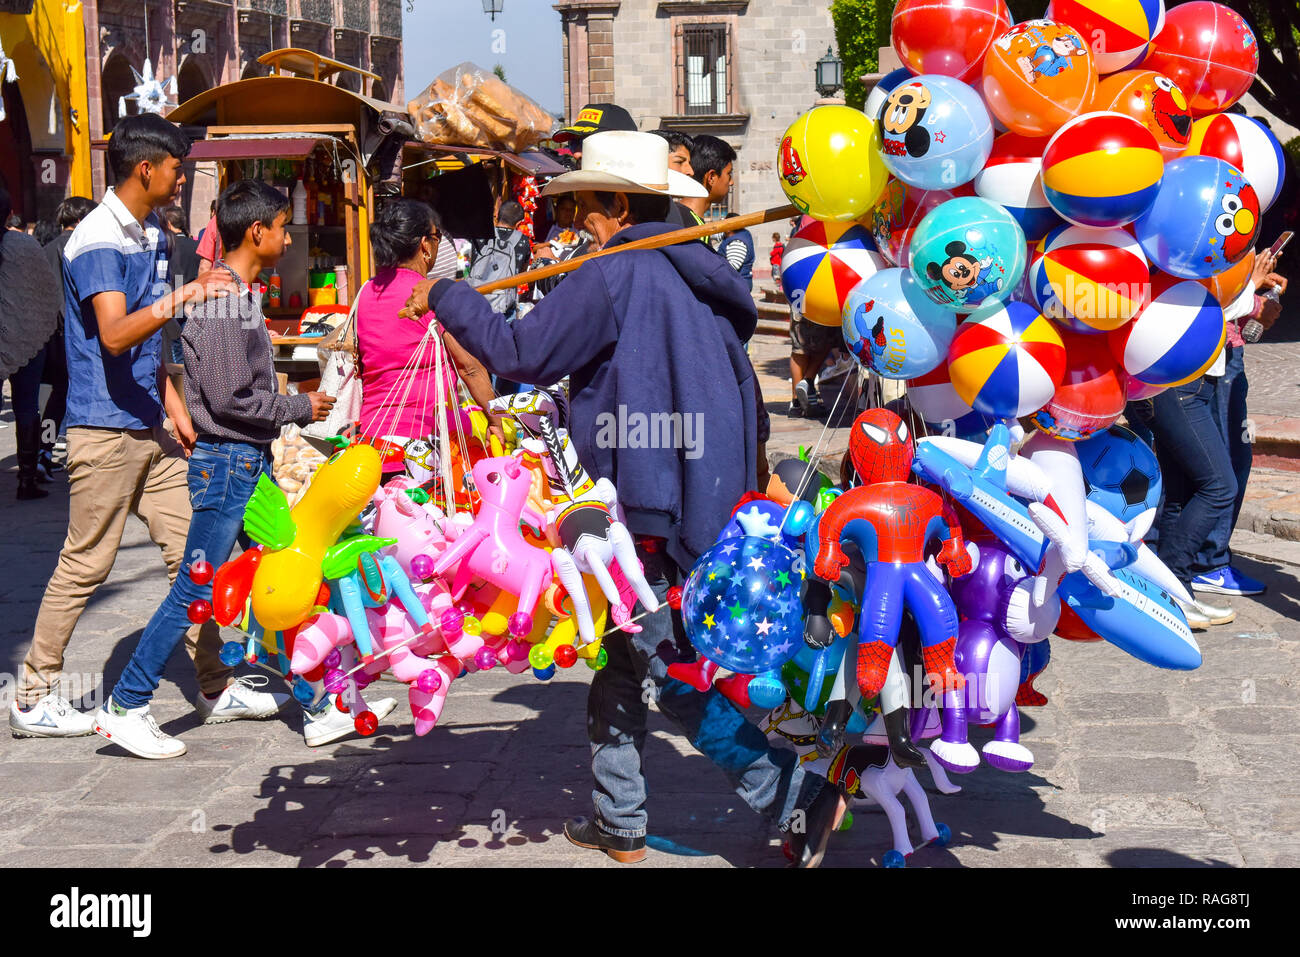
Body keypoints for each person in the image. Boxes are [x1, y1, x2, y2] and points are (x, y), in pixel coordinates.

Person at [400, 130, 843, 867]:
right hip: (694, 503)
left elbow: (521, 354)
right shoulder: (699, 273)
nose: (581, 224)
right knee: (620, 663)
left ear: (616, 203)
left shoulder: (615, 270)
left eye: (587, 207)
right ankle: (620, 819)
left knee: (667, 669)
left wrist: (447, 293)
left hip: (647, 518)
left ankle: (794, 793)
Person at [9, 113, 284, 738]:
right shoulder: (99, 238)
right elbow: (113, 335)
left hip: (150, 426)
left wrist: (175, 407)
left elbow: (149, 345)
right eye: (175, 169)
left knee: (195, 558)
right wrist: (184, 298)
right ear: (145, 169)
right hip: (102, 432)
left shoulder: (151, 233)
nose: (180, 179)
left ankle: (213, 683)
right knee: (87, 562)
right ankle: (33, 692)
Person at [92, 180, 342, 758]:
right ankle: (127, 704)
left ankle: (320, 705)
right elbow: (231, 399)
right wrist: (302, 407)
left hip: (242, 462)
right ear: (257, 232)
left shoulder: (235, 294)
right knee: (192, 590)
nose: (286, 236)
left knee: (286, 570)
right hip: (229, 463)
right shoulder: (226, 300)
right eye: (282, 226)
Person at [356, 197, 500, 468]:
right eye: (436, 237)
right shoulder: (431, 296)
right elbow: (470, 368)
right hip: (424, 451)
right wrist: (496, 420)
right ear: (424, 245)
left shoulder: (366, 292)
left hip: (374, 443)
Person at [1191, 248, 1288, 598]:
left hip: (1231, 355)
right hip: (1212, 361)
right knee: (1224, 461)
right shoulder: (1202, 244)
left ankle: (1211, 556)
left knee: (1236, 458)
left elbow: (1236, 313)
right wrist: (1253, 289)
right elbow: (1214, 299)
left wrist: (1257, 304)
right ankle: (1208, 562)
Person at [0, 186, 62, 500]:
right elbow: (46, 292)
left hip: (21, 336)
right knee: (27, 408)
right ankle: (27, 479)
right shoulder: (24, 245)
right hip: (28, 339)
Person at [38, 196, 98, 479]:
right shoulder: (79, 247)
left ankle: (42, 453)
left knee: (49, 397)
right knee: (66, 395)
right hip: (69, 334)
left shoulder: (47, 248)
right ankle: (50, 453)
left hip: (44, 335)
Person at [161, 205, 201, 364]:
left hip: (173, 303)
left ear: (168, 224)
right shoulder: (197, 247)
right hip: (194, 303)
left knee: (176, 354)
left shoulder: (167, 247)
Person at [679, 134, 736, 244]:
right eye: (729, 174)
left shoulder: (678, 215)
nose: (731, 182)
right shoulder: (694, 228)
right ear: (711, 177)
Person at [719, 212, 755, 293]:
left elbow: (733, 266)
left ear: (729, 228)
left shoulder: (737, 242)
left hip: (738, 285)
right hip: (736, 284)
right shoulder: (734, 235)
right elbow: (717, 235)